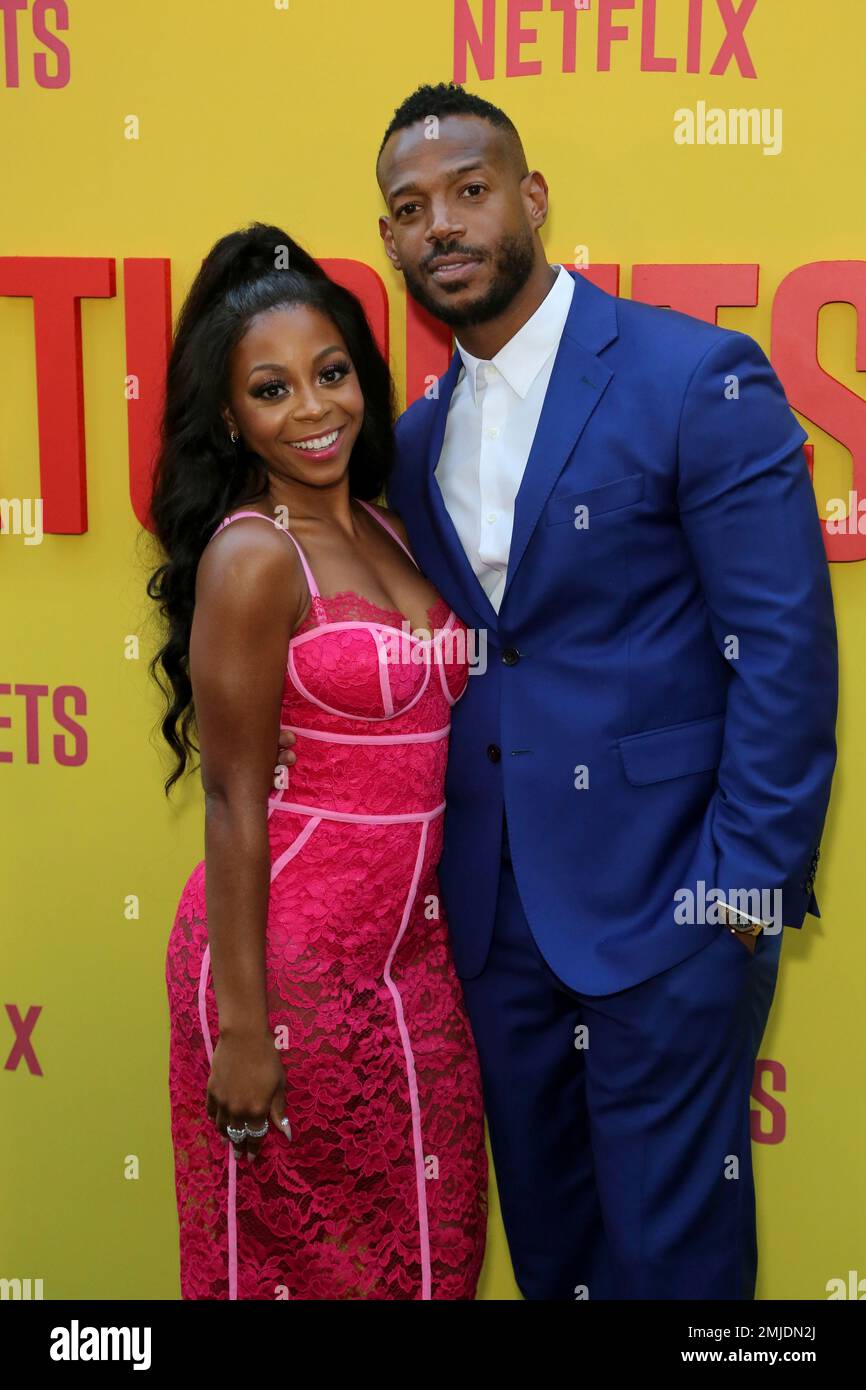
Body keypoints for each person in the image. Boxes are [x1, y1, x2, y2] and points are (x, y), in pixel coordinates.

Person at [279, 83, 838, 1300]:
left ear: (530, 199)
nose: (441, 225)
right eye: (408, 208)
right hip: (490, 928)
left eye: (469, 192)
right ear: (386, 239)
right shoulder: (412, 440)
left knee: (675, 1266)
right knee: (557, 1260)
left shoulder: (693, 376)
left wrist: (735, 895)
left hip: (666, 904)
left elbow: (783, 652)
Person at [149, 223, 488, 1301]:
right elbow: (232, 802)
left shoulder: (392, 531)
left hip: (412, 976)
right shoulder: (253, 555)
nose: (313, 409)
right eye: (272, 389)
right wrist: (243, 1029)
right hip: (283, 971)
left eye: (330, 374)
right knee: (305, 1272)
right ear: (229, 417)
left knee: (431, 1252)